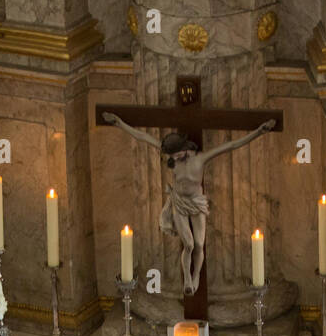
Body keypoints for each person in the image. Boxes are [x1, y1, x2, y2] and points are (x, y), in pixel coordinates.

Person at [102, 112, 275, 294]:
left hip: (197, 203)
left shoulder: (200, 158)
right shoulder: (172, 156)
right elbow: (143, 137)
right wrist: (120, 123)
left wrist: (259, 132)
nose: (173, 160)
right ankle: (187, 278)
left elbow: (231, 145)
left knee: (199, 245)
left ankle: (196, 275)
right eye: (172, 157)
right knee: (189, 245)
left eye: (176, 156)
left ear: (184, 149)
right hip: (179, 202)